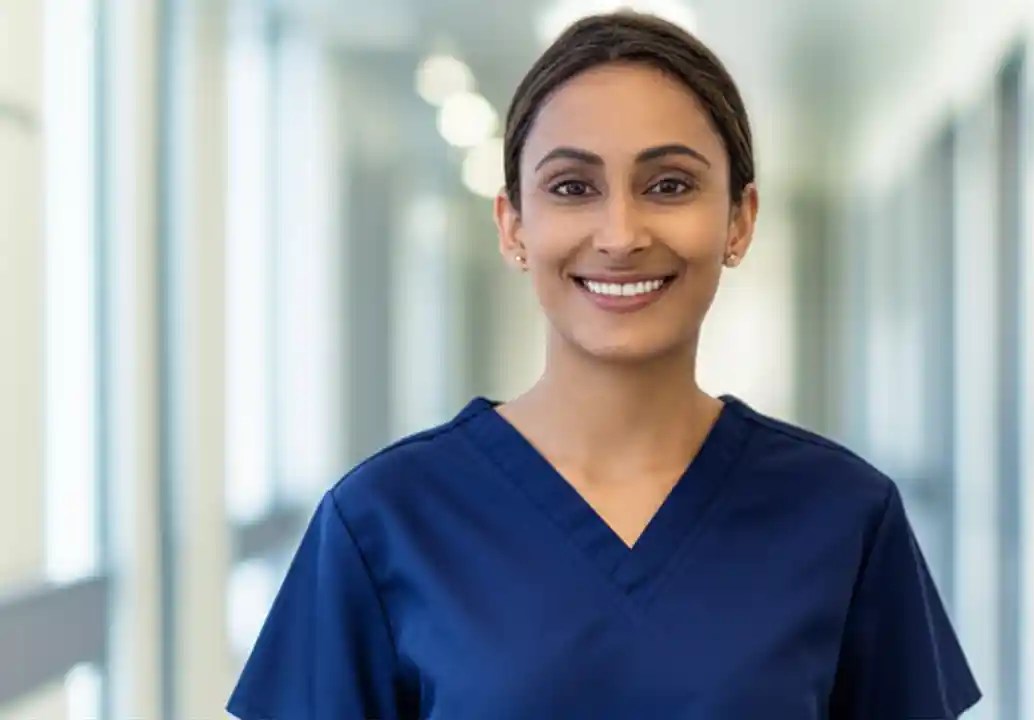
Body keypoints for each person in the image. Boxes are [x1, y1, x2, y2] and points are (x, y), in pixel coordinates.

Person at [227, 10, 981, 720]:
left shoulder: (843, 515)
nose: (620, 233)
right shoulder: (383, 521)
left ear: (740, 220)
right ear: (514, 225)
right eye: (572, 188)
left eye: (669, 185)